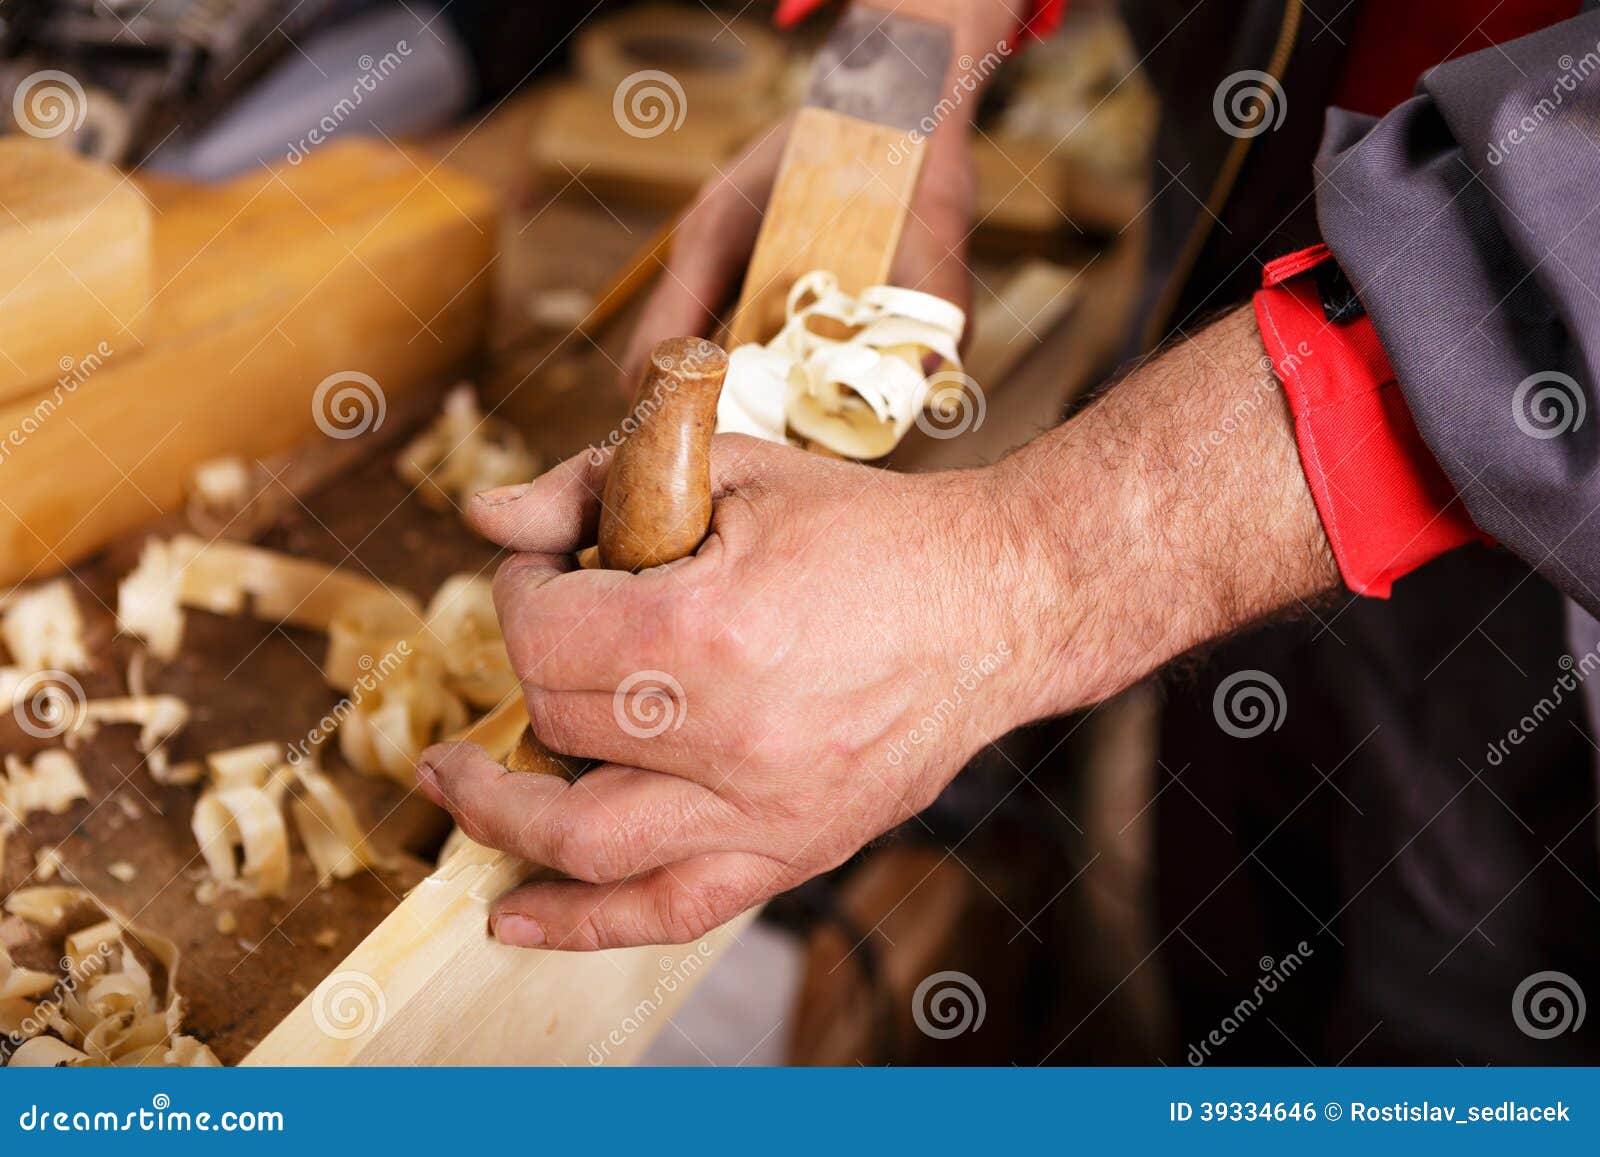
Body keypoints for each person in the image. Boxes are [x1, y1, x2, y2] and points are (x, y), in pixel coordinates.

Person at [418, 0, 1600, 1063]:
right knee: (1215, 905)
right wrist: (894, 70)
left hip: (1547, 492)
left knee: (1459, 989)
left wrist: (1029, 565)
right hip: (1248, 226)